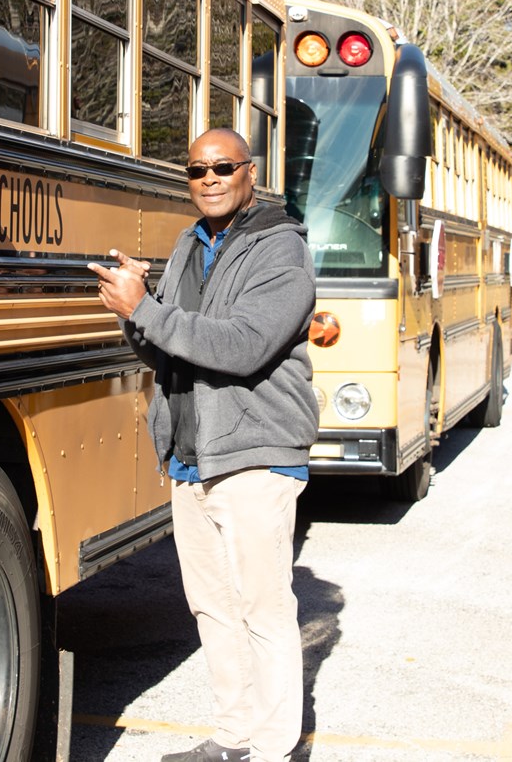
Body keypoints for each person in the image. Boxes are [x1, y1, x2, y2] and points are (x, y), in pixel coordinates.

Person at [89, 128, 318, 762]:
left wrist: (150, 309)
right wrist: (134, 310)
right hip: (192, 456)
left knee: (262, 607)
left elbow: (242, 345)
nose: (209, 178)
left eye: (222, 167)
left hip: (254, 452)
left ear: (251, 173)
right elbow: (170, 344)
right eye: (196, 170)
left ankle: (274, 748)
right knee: (213, 609)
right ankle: (234, 735)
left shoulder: (280, 250)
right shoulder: (190, 245)